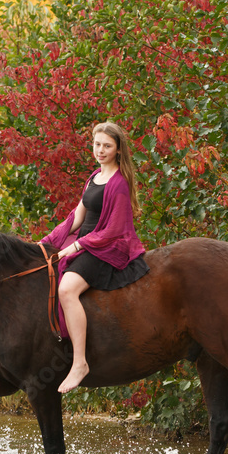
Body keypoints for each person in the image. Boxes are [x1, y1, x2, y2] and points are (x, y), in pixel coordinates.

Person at [41, 121, 149, 394]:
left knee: (66, 290)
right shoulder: (93, 177)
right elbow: (77, 216)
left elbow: (114, 230)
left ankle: (80, 363)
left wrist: (76, 248)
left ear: (118, 150)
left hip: (106, 247)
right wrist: (48, 243)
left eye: (107, 146)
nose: (100, 150)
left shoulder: (119, 184)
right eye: (97, 144)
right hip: (86, 242)